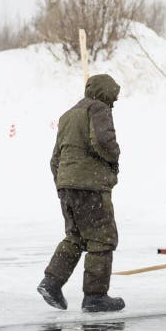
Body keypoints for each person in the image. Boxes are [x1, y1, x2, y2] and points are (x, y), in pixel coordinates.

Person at [38, 73, 125, 313]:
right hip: (91, 186)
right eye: (113, 97)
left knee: (76, 236)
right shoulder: (99, 109)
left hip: (67, 185)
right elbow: (104, 142)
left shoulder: (67, 115)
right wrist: (114, 162)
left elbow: (56, 157)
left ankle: (52, 282)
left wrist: (64, 181)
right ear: (104, 93)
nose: (114, 102)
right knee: (102, 238)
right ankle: (96, 296)